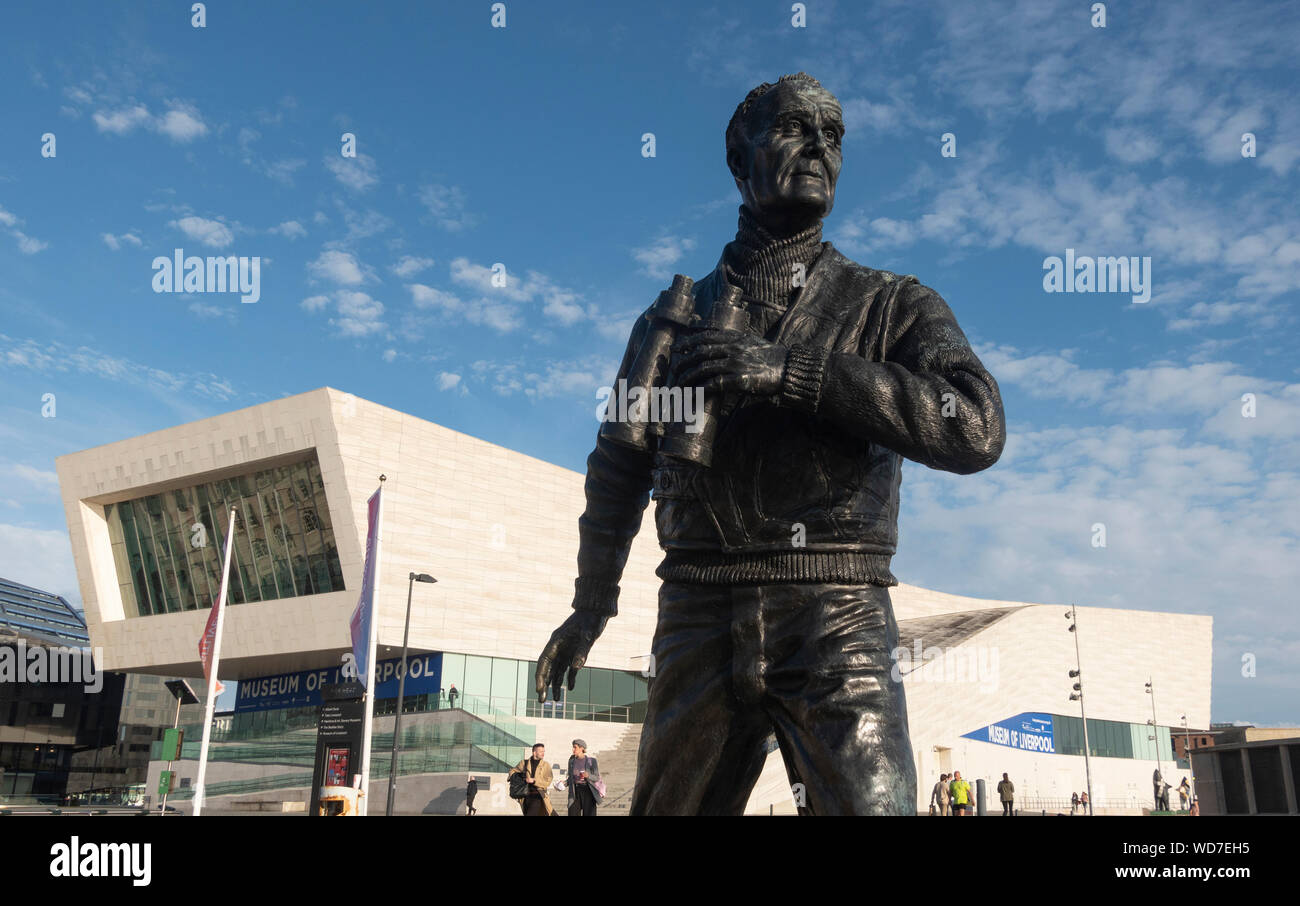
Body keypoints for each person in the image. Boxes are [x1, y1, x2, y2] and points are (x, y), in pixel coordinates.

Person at [534, 71, 1006, 817]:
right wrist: (592, 601)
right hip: (697, 614)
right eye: (793, 127)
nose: (819, 145)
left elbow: (974, 425)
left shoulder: (890, 304)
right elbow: (620, 462)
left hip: (836, 618)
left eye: (834, 134)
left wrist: (796, 373)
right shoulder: (675, 320)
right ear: (738, 157)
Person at [508, 743, 555, 816]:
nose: (543, 753)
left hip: (538, 795)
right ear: (534, 752)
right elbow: (512, 772)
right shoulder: (524, 763)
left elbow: (548, 781)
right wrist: (524, 779)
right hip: (524, 796)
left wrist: (534, 781)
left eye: (543, 751)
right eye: (541, 751)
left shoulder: (546, 765)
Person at [566, 738, 604, 817]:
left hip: (588, 791)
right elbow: (571, 778)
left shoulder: (592, 761)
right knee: (572, 813)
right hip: (575, 792)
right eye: (573, 747)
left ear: (582, 748)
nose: (573, 749)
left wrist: (588, 775)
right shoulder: (571, 761)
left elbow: (596, 777)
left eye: (575, 747)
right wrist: (564, 783)